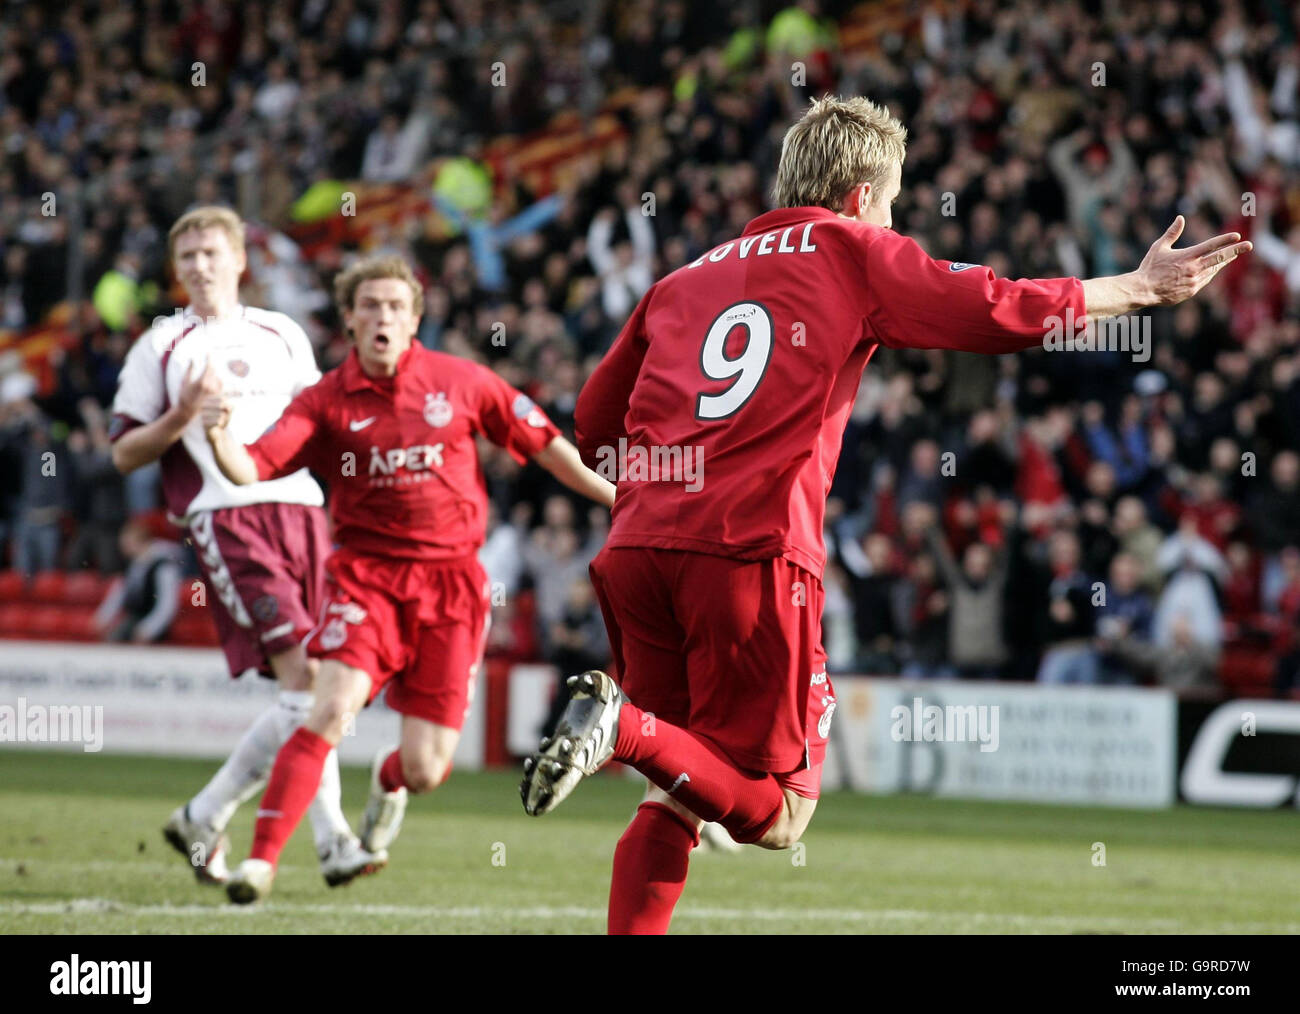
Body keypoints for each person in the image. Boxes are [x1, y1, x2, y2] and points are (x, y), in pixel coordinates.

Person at [519, 94, 1252, 934]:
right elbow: (991, 308)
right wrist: (1134, 289)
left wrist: (669, 470)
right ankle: (621, 725)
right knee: (782, 811)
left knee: (674, 794)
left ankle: (631, 735)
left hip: (639, 549)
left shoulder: (683, 278)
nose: (896, 213)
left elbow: (592, 421)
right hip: (749, 552)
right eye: (896, 197)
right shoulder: (850, 250)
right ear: (864, 192)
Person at [199, 255, 615, 903]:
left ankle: (388, 784)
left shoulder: (463, 381)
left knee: (424, 770)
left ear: (415, 318)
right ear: (349, 320)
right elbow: (251, 467)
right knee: (329, 709)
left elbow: (540, 442)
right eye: (369, 305)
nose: (382, 316)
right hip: (367, 581)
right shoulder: (325, 401)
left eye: (395, 305)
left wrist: (611, 495)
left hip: (452, 588)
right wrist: (221, 434)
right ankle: (262, 862)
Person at [109, 206, 381, 888]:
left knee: (317, 686)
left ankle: (207, 813)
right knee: (305, 680)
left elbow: (317, 424)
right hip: (224, 517)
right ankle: (332, 840)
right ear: (177, 271)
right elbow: (122, 454)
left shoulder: (280, 333)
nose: (199, 266)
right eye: (188, 257)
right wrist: (179, 417)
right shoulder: (161, 346)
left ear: (239, 261)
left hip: (304, 514)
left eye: (210, 253)